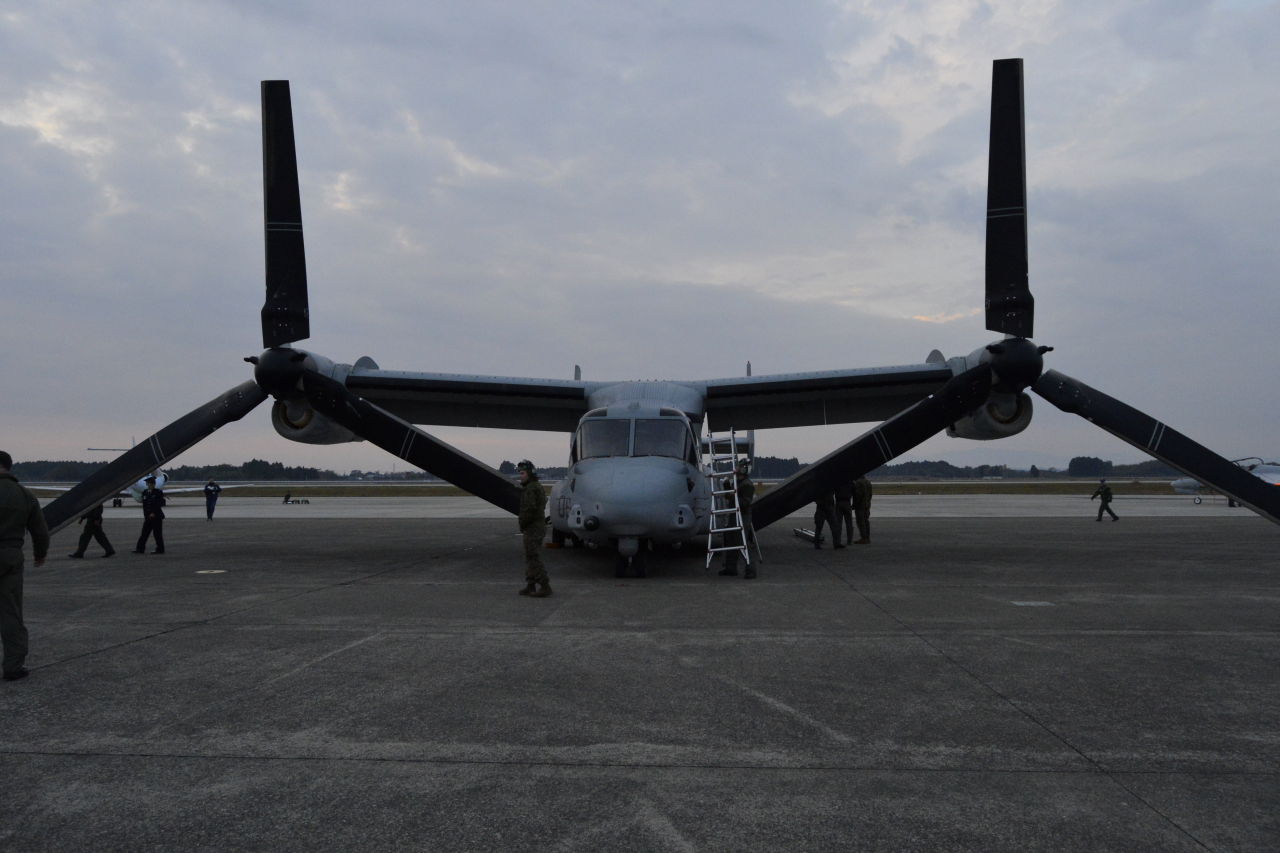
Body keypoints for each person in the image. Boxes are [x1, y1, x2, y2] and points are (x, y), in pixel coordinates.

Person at [0, 450, 49, 681]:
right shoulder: (24, 494)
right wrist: (40, 554)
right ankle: (13, 666)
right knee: (10, 612)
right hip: (10, 556)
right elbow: (40, 531)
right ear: (9, 467)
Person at [515, 460, 551, 597]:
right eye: (520, 473)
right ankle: (531, 585)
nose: (521, 476)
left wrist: (522, 523)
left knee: (533, 557)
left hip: (533, 527)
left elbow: (529, 510)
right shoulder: (536, 486)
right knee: (530, 557)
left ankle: (544, 585)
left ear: (530, 474)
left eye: (523, 473)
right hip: (537, 526)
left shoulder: (531, 488)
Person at [718, 458, 757, 579]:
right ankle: (730, 568)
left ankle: (751, 569)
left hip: (743, 515)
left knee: (743, 541)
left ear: (745, 469)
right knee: (730, 540)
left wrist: (732, 495)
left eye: (740, 467)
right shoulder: (738, 482)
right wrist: (726, 486)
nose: (737, 468)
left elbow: (745, 502)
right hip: (734, 514)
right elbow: (730, 497)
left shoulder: (747, 484)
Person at [134, 476, 166, 554]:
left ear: (153, 484)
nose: (149, 485)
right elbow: (145, 505)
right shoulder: (145, 492)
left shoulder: (158, 492)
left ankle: (160, 549)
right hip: (148, 517)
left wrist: (154, 513)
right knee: (144, 534)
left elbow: (160, 503)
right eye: (148, 484)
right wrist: (146, 515)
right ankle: (140, 549)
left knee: (157, 534)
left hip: (156, 517)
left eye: (151, 484)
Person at [852, 476, 874, 544]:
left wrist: (854, 505)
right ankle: (867, 538)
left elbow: (858, 495)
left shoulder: (858, 483)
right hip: (867, 505)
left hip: (860, 506)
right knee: (866, 521)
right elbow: (870, 495)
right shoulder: (868, 482)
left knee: (860, 522)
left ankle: (863, 538)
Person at [834, 480, 855, 547]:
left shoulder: (837, 482)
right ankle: (849, 541)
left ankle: (838, 541)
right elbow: (854, 493)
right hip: (847, 503)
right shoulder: (851, 483)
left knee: (838, 523)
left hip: (839, 503)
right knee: (849, 523)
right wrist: (853, 505)